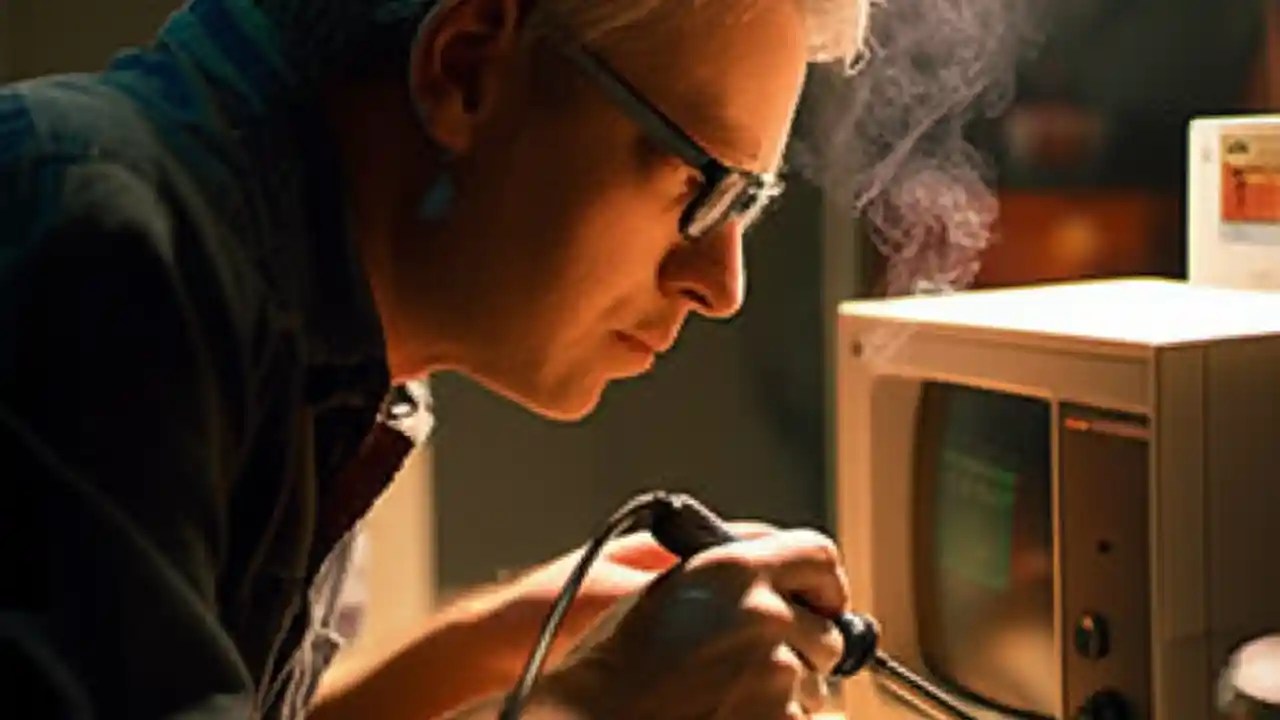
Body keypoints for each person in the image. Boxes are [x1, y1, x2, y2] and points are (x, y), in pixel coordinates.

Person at [0, 0, 869, 717]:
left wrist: (493, 642)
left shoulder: (324, 346)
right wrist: (592, 708)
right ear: (466, 68)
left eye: (746, 203)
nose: (722, 283)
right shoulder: (96, 250)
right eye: (700, 183)